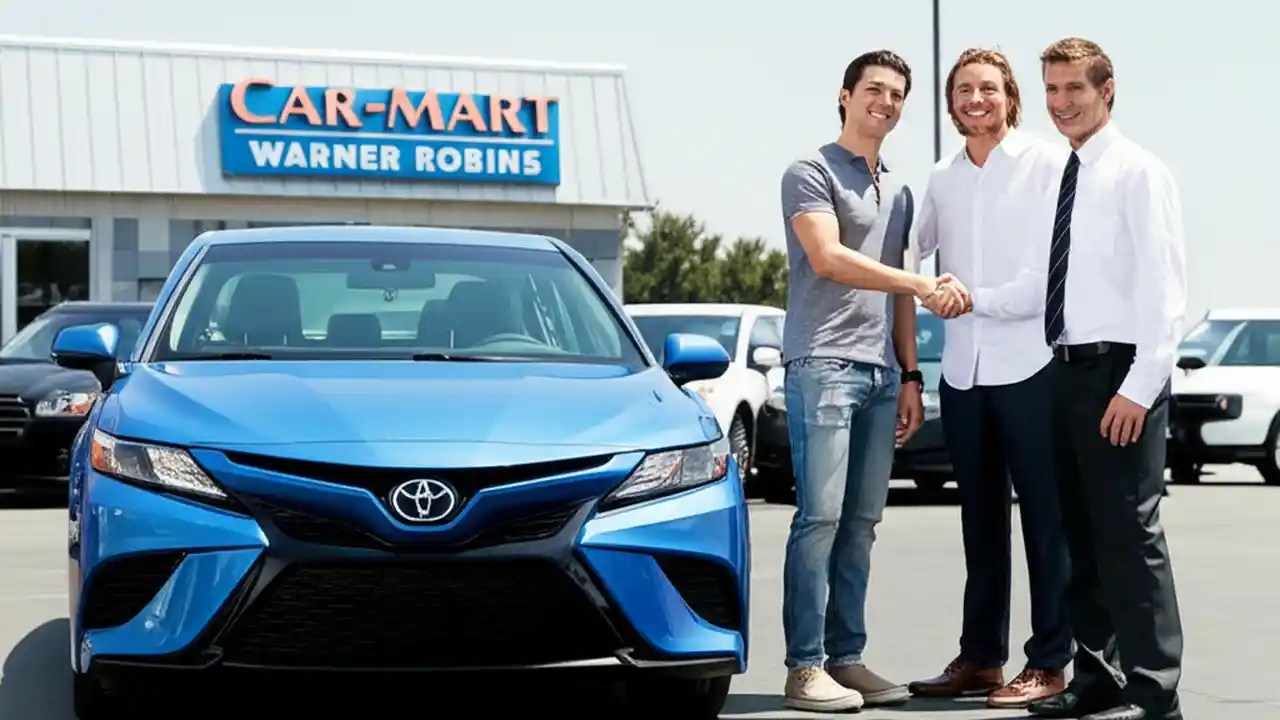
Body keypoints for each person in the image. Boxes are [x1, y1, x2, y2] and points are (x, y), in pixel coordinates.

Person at [968, 37, 1187, 720]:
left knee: (1130, 537)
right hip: (1064, 370)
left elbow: (1165, 295)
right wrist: (968, 296)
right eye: (1053, 91)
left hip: (1121, 372)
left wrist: (1138, 386)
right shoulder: (1068, 173)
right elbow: (1043, 279)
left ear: (1107, 90)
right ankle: (1097, 681)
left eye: (1075, 90)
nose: (1061, 104)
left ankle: (1154, 695)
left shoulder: (1137, 173)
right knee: (1081, 538)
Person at [777, 48, 968, 713]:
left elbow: (901, 301)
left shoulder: (901, 189)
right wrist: (918, 279)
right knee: (820, 517)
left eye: (896, 96)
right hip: (822, 364)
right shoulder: (809, 172)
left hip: (883, 374)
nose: (884, 103)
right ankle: (804, 669)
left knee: (861, 522)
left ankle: (846, 658)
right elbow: (827, 259)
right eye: (874, 90)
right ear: (846, 94)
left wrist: (912, 374)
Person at [905, 48, 1075, 710]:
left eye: (988, 88)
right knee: (979, 524)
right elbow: (909, 251)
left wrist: (971, 297)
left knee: (1045, 521)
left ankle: (1050, 661)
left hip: (1030, 366)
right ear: (951, 105)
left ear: (1009, 97)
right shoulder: (941, 177)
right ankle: (980, 658)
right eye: (963, 90)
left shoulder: (1045, 165)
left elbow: (1046, 276)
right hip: (965, 374)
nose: (976, 99)